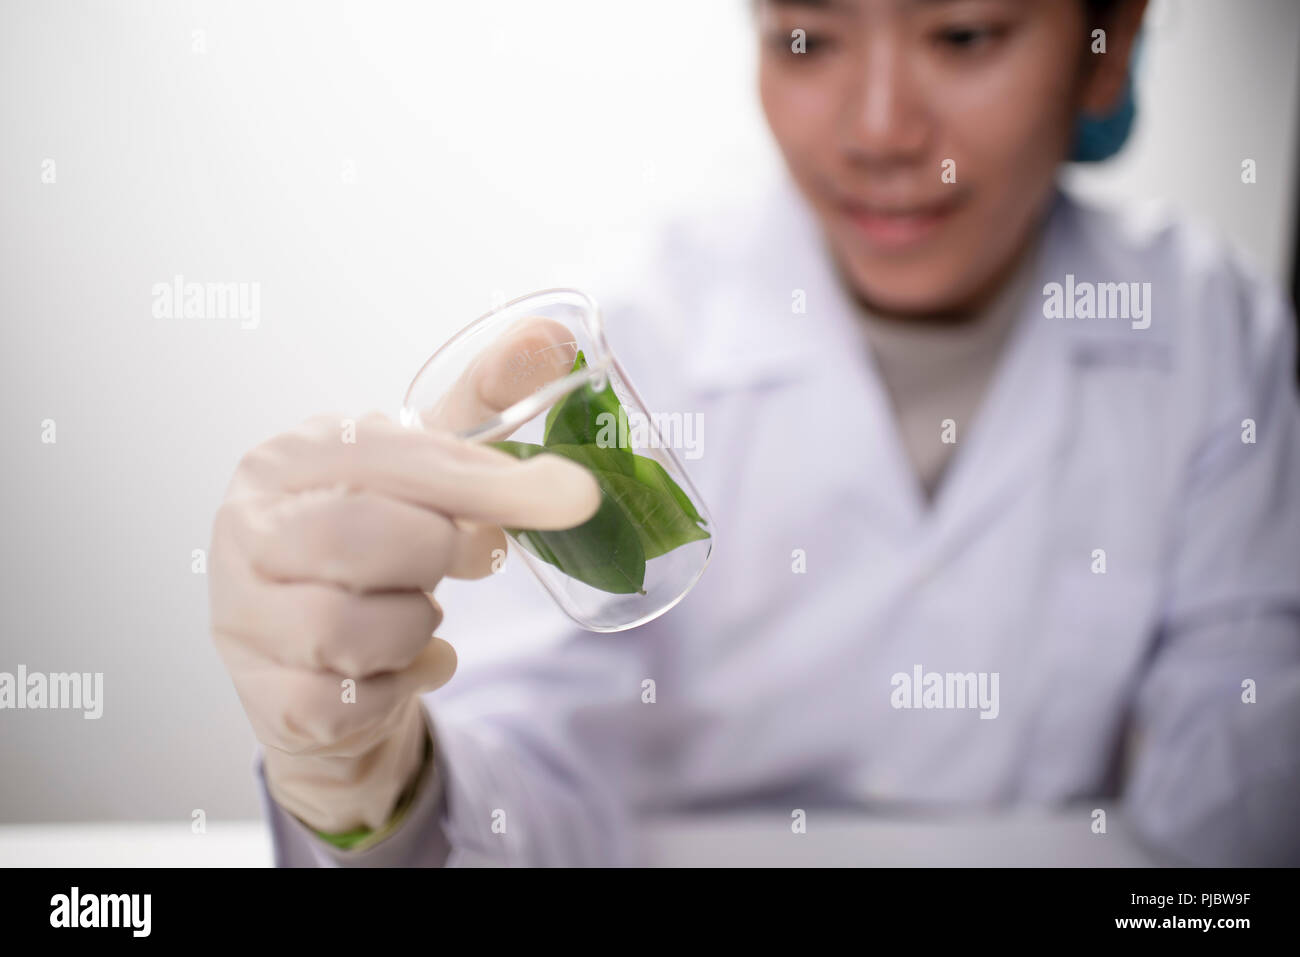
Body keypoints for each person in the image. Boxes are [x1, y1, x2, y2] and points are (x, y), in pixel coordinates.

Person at [208, 0, 1300, 866]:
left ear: (1106, 52)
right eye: (804, 37)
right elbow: (525, 804)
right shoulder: (625, 340)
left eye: (963, 33)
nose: (877, 130)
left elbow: (1232, 796)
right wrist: (376, 789)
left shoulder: (1207, 326)